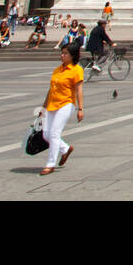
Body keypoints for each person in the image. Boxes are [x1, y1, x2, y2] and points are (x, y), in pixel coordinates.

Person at [38, 41, 84, 174]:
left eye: (65, 54)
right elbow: (51, 89)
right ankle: (65, 149)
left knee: (54, 133)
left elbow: (79, 90)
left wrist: (80, 109)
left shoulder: (76, 70)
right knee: (46, 134)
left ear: (73, 55)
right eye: (62, 53)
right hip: (52, 103)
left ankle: (50, 164)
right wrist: (43, 107)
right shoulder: (57, 70)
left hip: (66, 104)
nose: (62, 56)